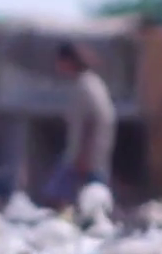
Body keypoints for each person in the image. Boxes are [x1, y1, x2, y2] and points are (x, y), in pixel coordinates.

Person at [44, 42, 116, 206]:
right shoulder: (87, 83)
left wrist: (83, 156)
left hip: (85, 157)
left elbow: (91, 122)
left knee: (60, 195)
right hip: (85, 156)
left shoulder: (86, 86)